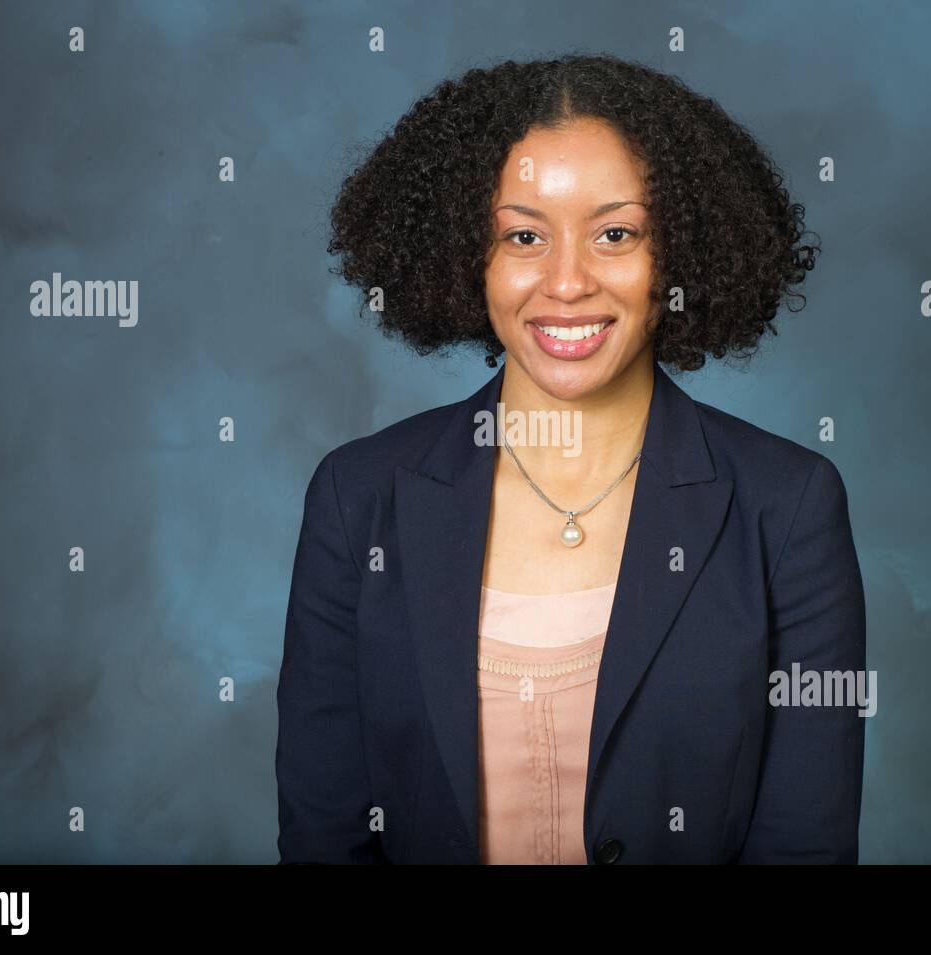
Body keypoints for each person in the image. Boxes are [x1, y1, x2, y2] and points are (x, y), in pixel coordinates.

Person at [277, 53, 866, 864]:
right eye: (523, 236)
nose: (566, 282)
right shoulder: (357, 497)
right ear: (464, 256)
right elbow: (324, 836)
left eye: (615, 233)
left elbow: (804, 844)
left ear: (680, 256)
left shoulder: (789, 507)